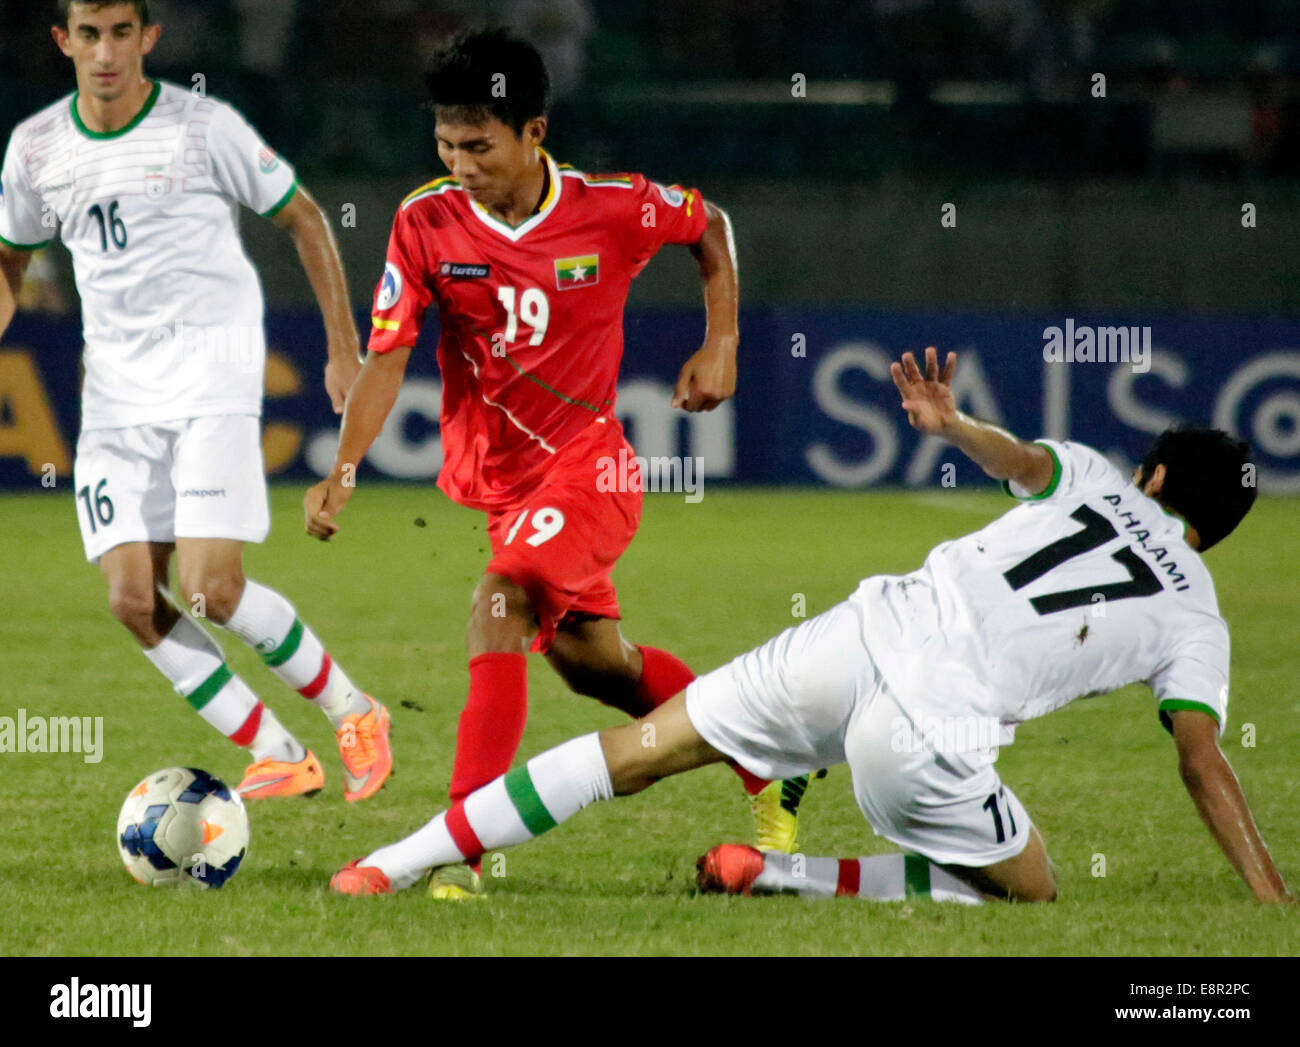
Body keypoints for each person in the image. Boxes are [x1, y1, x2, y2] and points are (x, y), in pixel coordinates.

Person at [331, 347, 1292, 906]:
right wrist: (1270, 899)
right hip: (929, 723)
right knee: (1030, 885)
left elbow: (1017, 458)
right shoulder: (1198, 617)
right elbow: (1202, 760)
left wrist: (952, 427)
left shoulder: (1087, 469)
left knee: (638, 748)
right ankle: (783, 874)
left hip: (857, 629)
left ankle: (386, 865)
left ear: (1153, 477)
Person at [304, 28, 813, 899]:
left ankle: (452, 849)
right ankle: (772, 761)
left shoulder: (611, 207)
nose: (458, 163)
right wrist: (346, 465)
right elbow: (387, 355)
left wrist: (720, 340)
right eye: (444, 144)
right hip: (508, 489)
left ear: (533, 133)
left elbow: (710, 223)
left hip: (593, 470)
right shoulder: (424, 222)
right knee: (599, 666)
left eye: (478, 145)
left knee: (497, 602)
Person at [0, 0, 393, 802]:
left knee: (212, 587)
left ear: (147, 37)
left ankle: (354, 710)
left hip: (212, 374)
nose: (104, 53)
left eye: (120, 33)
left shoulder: (204, 127)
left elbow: (307, 218)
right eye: (87, 35)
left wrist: (343, 348)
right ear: (62, 41)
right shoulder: (34, 148)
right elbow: (10, 260)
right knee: (132, 597)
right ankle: (280, 750)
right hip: (112, 395)